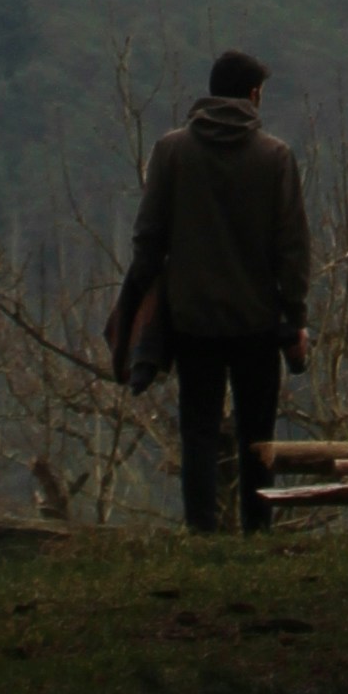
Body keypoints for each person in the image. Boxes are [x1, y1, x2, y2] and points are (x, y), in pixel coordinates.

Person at [119, 49, 310, 535]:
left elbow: (148, 235)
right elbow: (292, 247)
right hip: (257, 319)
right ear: (252, 95)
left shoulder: (172, 151)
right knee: (257, 434)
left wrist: (138, 297)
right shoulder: (275, 157)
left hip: (191, 317)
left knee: (198, 430)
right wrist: (294, 315)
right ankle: (257, 527)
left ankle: (202, 532)